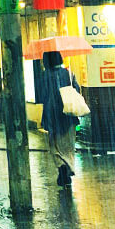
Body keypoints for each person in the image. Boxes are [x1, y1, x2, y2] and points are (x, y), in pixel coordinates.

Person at [41, 51, 80, 187]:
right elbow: (77, 89)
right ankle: (68, 168)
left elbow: (42, 95)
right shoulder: (68, 73)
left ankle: (61, 166)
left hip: (52, 115)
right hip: (68, 113)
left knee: (54, 144)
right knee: (68, 145)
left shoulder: (45, 75)